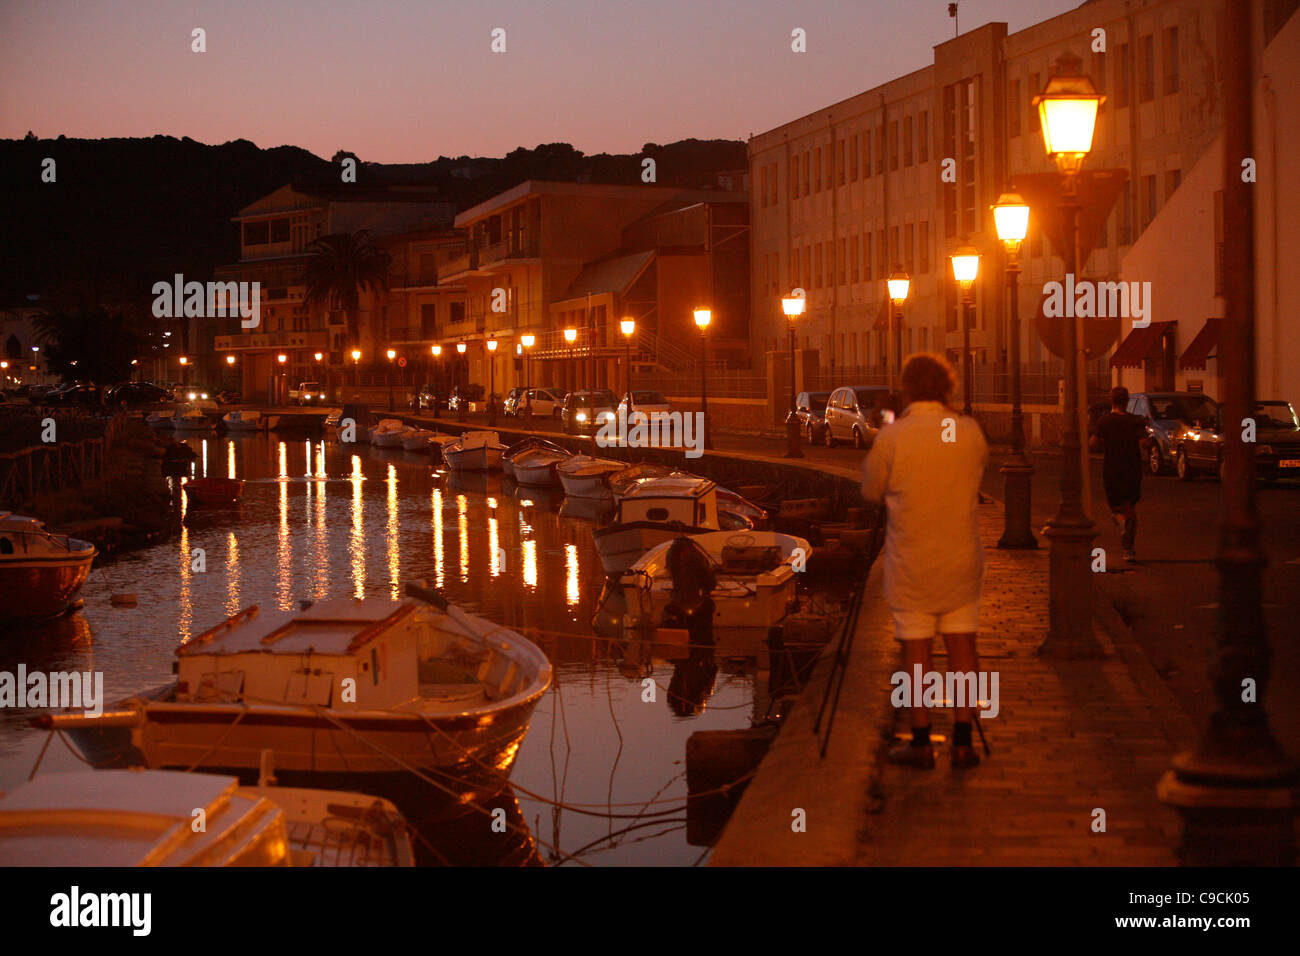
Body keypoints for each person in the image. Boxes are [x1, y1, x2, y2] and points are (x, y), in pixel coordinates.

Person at [861, 353, 988, 770]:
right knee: (962, 646)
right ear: (948, 387)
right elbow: (976, 477)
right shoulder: (969, 432)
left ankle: (921, 740)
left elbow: (871, 490)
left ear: (908, 388)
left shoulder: (895, 436)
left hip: (912, 559)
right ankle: (964, 740)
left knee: (917, 651)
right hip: (961, 557)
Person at [1089, 385, 1153, 563]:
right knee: (1130, 507)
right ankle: (1129, 548)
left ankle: (1123, 524)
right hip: (1132, 468)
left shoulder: (1104, 421)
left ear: (1112, 400)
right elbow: (1145, 444)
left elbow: (1093, 444)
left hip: (1112, 468)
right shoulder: (1135, 421)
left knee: (1116, 507)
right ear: (1127, 401)